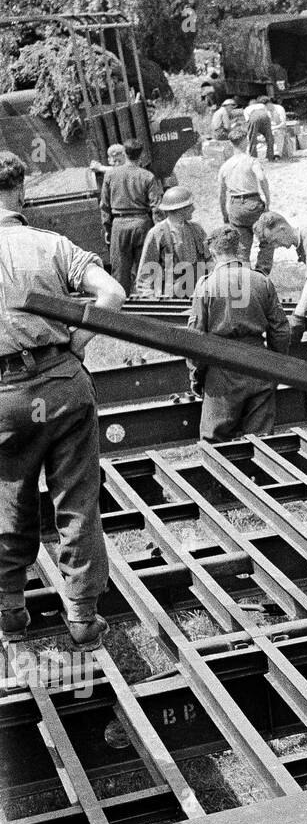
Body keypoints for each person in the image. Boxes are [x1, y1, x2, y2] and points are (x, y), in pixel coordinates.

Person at [0, 151, 126, 649]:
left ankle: (11, 608)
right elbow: (112, 295)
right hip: (61, 382)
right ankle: (82, 616)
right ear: (22, 190)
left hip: (3, 395)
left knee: (7, 496)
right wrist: (75, 343)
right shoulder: (50, 244)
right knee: (76, 498)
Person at [187, 227, 291, 440]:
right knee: (263, 443)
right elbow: (280, 330)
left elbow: (195, 337)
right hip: (259, 364)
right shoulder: (261, 281)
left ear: (213, 254)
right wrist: (275, 365)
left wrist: (196, 375)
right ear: (239, 250)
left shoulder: (206, 286)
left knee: (216, 440)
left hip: (222, 369)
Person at [99, 138, 161, 294]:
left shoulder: (110, 175)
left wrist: (108, 228)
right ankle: (148, 306)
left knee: (120, 272)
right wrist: (159, 231)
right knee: (146, 270)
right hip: (142, 225)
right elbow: (156, 208)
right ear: (141, 155)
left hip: (119, 226)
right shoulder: (148, 176)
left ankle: (122, 308)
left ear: (124, 153)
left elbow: (104, 206)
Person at [136, 186, 210, 299]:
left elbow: (210, 261)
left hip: (196, 292)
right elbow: (146, 271)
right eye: (190, 206)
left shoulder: (197, 230)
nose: (193, 209)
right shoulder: (157, 233)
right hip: (170, 295)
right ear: (180, 209)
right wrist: (149, 298)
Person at [217, 124, 272, 271]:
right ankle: (262, 271)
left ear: (231, 143)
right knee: (267, 240)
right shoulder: (252, 161)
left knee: (242, 247)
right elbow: (261, 178)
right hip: (253, 203)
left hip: (235, 205)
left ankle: (245, 277)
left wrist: (225, 214)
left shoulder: (225, 166)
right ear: (245, 142)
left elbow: (221, 195)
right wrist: (267, 200)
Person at [244, 95, 276, 162]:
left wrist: (254, 133)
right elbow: (268, 116)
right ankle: (270, 156)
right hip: (265, 117)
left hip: (254, 116)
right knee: (269, 137)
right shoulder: (262, 105)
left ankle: (253, 158)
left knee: (252, 139)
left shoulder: (246, 109)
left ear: (249, 104)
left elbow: (248, 121)